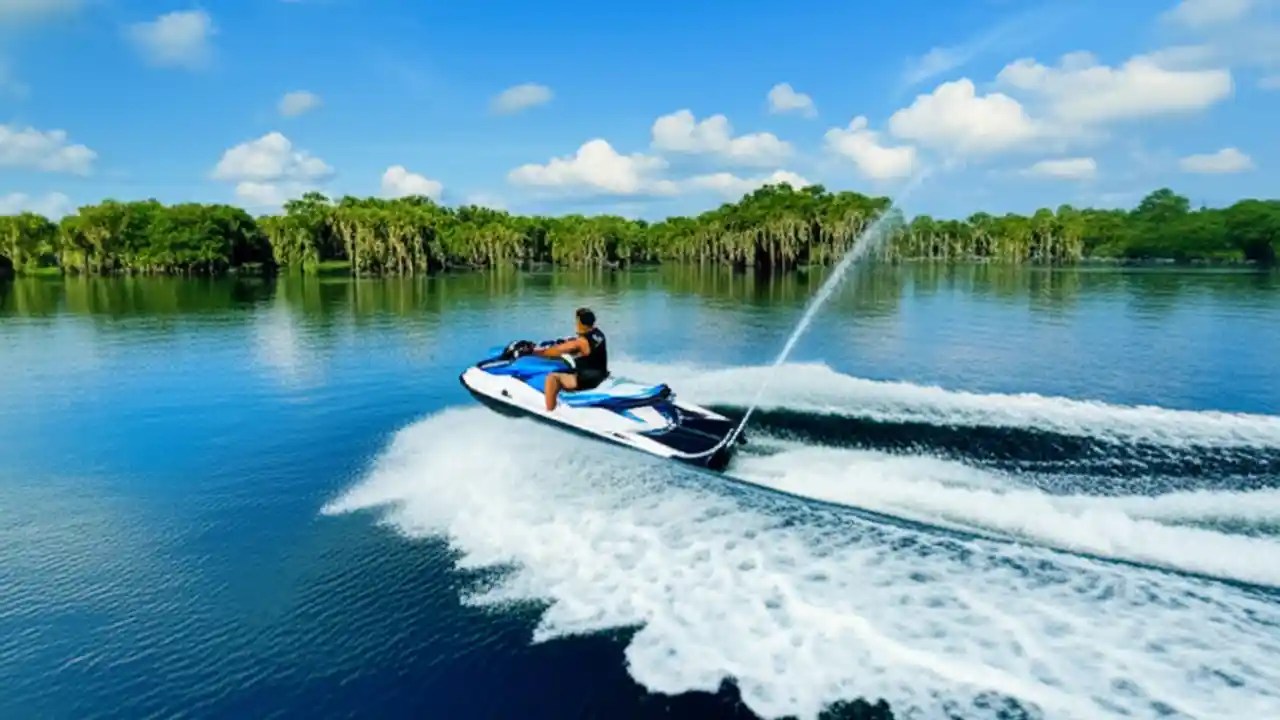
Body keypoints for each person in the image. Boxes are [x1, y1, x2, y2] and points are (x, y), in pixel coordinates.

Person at [531, 307, 609, 411]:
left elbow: (556, 351)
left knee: (552, 378)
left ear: (581, 323)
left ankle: (550, 412)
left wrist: (534, 352)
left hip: (587, 379)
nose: (575, 324)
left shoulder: (581, 342)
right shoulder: (598, 334)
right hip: (600, 374)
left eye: (577, 321)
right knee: (566, 369)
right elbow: (584, 348)